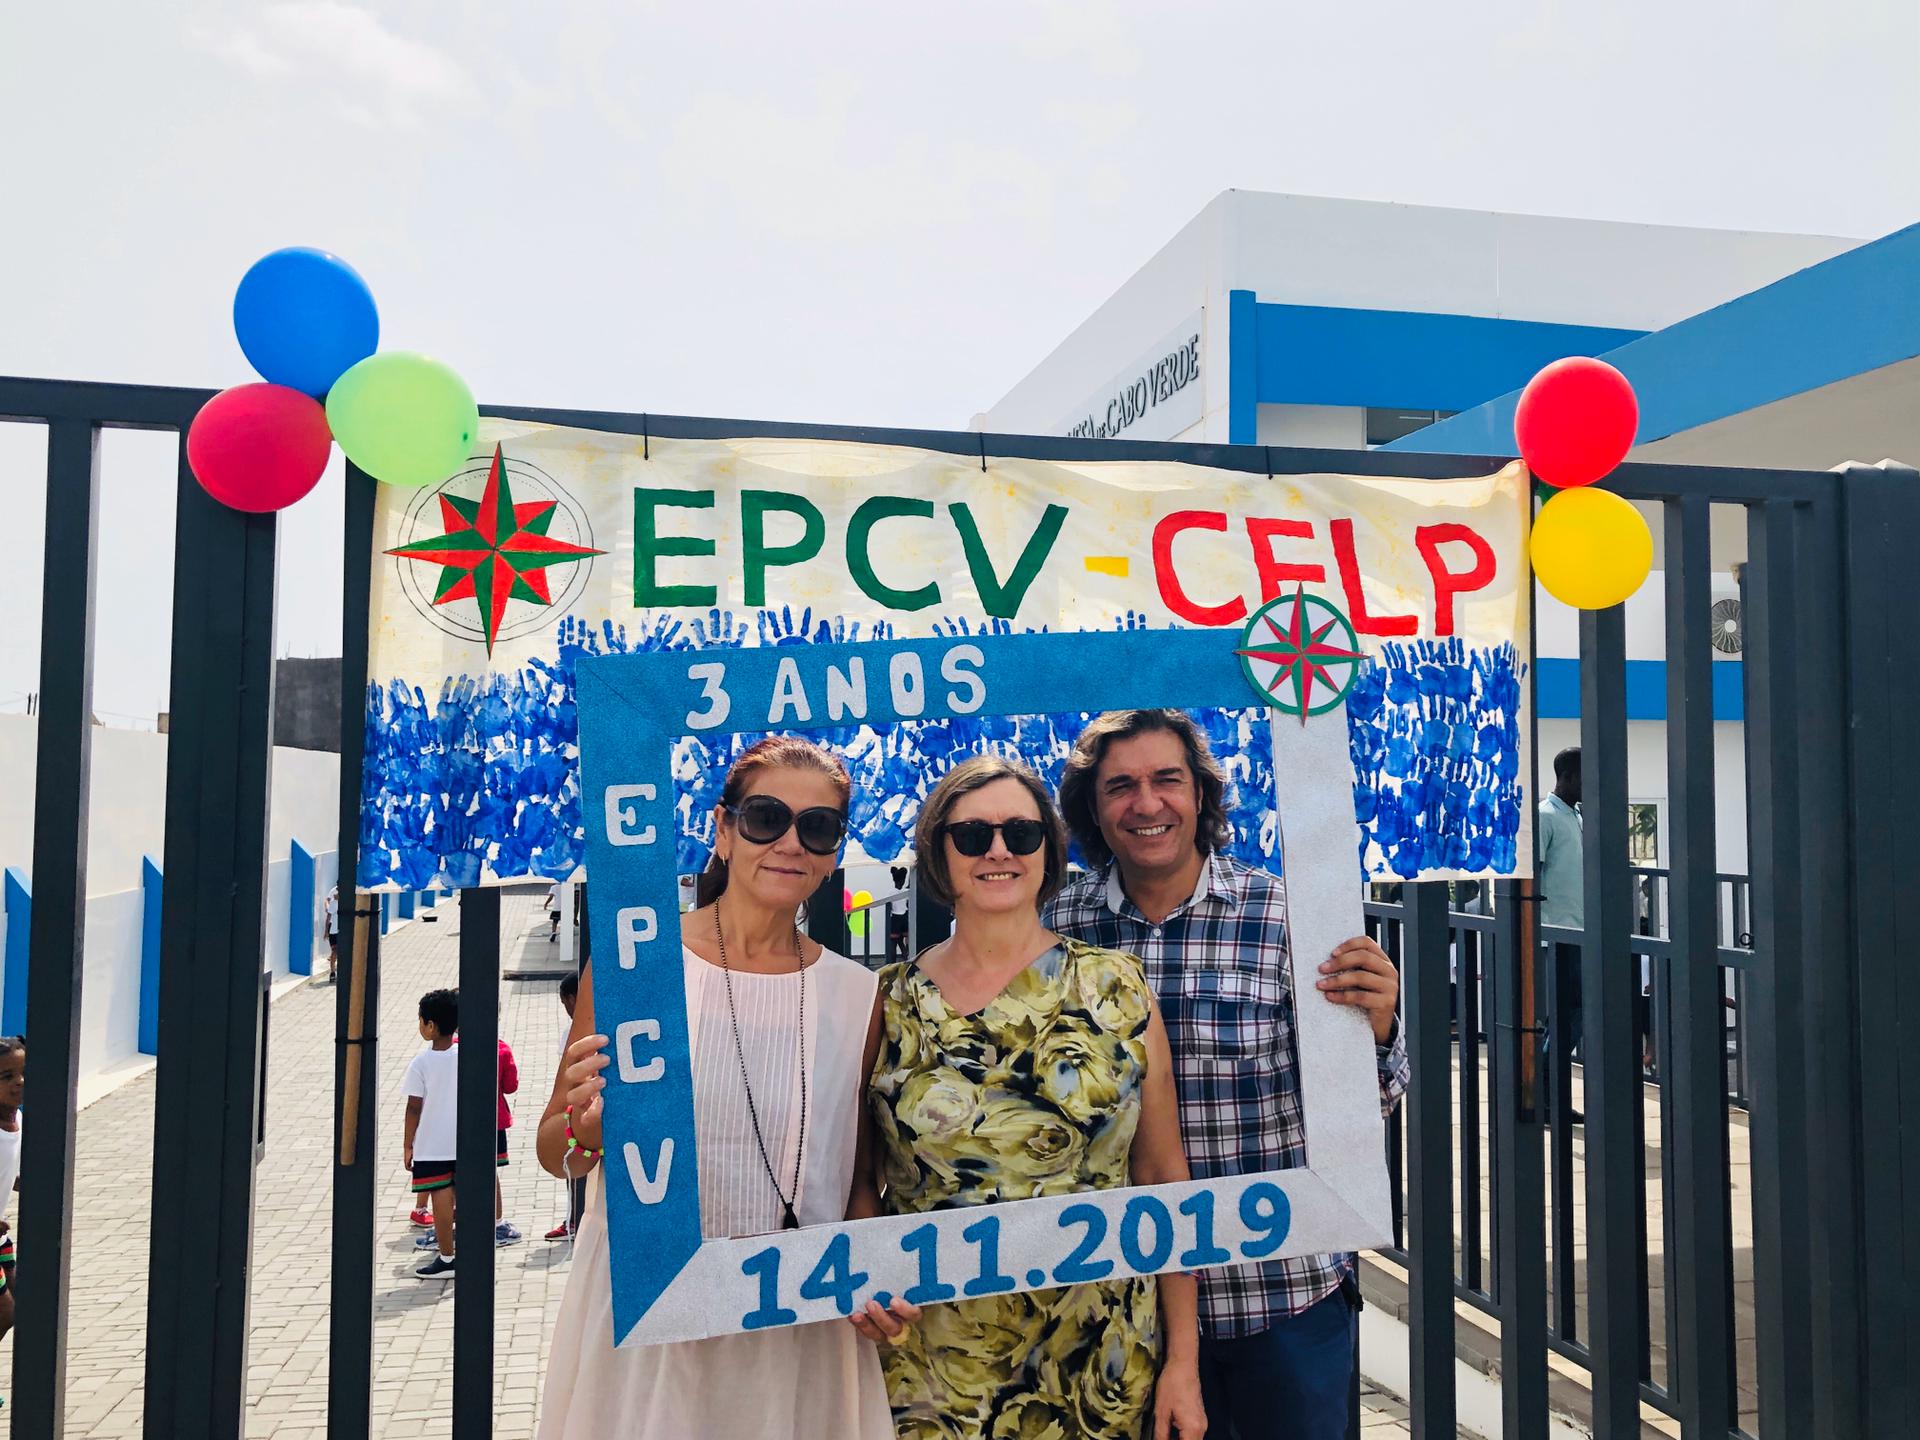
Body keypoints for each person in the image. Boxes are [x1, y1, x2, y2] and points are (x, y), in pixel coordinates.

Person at [1046, 710, 1407, 1440]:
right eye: (1120, 787)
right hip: (1118, 1308)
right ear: (1091, 809)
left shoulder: (1289, 918)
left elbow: (1370, 1106)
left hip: (1278, 1300)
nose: (1146, 804)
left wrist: (1380, 1029)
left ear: (1203, 796)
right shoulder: (1053, 926)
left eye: (1166, 780)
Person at [535, 736, 909, 1439]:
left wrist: (873, 1272)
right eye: (767, 817)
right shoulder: (635, 970)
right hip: (651, 1324)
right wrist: (586, 1128)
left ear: (834, 852)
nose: (790, 842)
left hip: (797, 1325)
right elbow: (557, 1150)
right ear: (723, 830)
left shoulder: (859, 994)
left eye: (818, 826)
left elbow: (854, 1179)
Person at [863, 755, 1207, 1440]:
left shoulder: (1119, 986)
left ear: (1047, 852)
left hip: (1097, 1355)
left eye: (1021, 834)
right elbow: (860, 1184)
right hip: (934, 1364)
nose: (998, 850)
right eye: (973, 835)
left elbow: (1164, 1179)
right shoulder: (887, 999)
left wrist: (1184, 1365)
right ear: (939, 851)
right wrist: (865, 1284)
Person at [1538, 747, 1585, 1105]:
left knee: (1574, 1016)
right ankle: (1547, 1096)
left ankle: (1551, 1095)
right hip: (1554, 935)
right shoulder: (1546, 816)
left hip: (1580, 933)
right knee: (1565, 1017)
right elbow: (1532, 876)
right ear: (1568, 776)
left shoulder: (1577, 817)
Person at [403, 989, 461, 1280]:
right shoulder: (466, 1055)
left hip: (431, 1143)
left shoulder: (421, 1063)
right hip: (462, 1140)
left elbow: (414, 1108)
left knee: (440, 1194)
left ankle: (447, 1256)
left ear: (431, 1025)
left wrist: (407, 1146)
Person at [545, 972, 587, 1242]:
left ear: (573, 999)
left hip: (577, 1111)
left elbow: (568, 1077)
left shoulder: (572, 1033)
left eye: (565, 1003)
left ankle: (573, 1219)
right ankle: (573, 1217)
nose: (566, 1010)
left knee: (573, 1165)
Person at [0, 1036, 23, 1393]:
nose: (18, 1082)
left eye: (22, 1073)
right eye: (6, 1076)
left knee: (20, 1303)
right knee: (3, 1311)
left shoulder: (18, 1119)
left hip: (1, 1239)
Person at [884, 866, 910, 964]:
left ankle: (892, 964)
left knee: (893, 943)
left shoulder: (890, 892)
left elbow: (889, 906)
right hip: (905, 917)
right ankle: (906, 957)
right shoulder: (906, 892)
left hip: (895, 918)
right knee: (906, 940)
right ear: (903, 880)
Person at [324, 883, 340, 983]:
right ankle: (332, 973)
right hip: (333, 931)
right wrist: (326, 931)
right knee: (334, 951)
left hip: (343, 931)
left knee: (340, 951)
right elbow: (328, 917)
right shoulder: (334, 903)